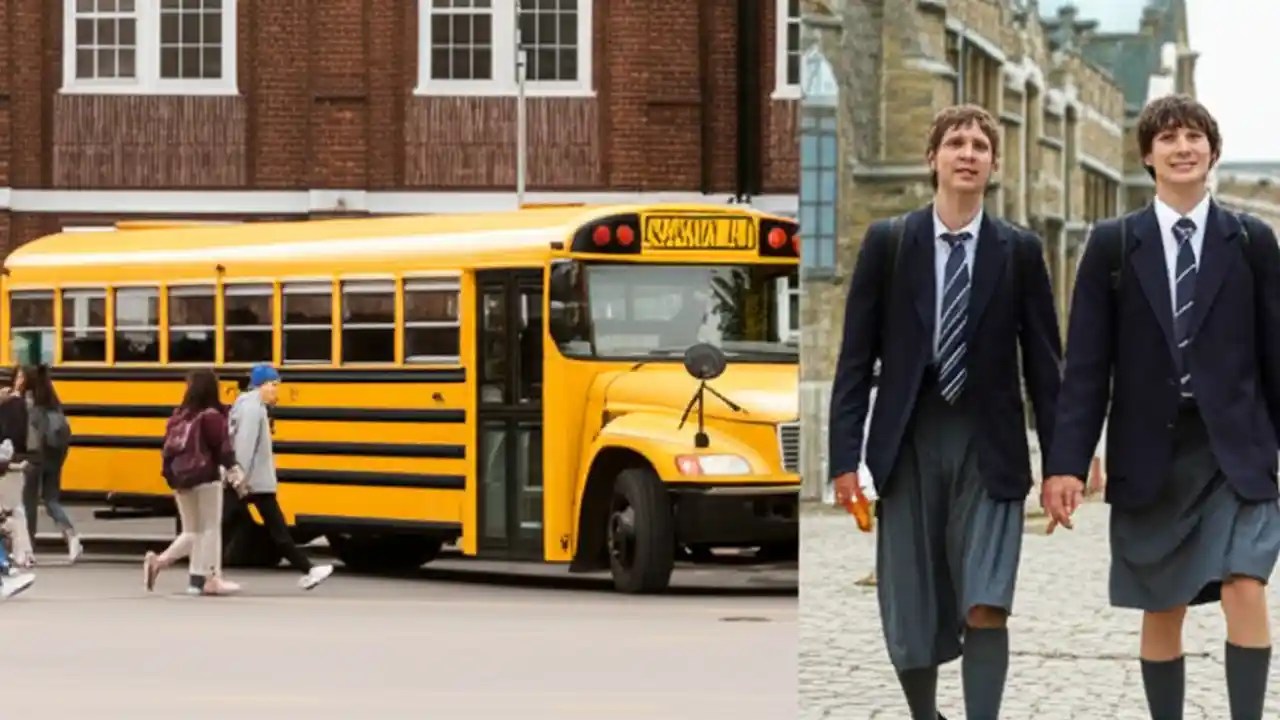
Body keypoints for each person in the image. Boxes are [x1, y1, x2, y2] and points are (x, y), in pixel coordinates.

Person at [1043, 94, 1280, 720]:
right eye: (1169, 138)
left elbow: (1277, 356)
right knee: (1163, 602)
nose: (1183, 147)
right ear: (1148, 155)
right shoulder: (1114, 246)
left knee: (1244, 584)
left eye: (1195, 136)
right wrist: (1067, 463)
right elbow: (1088, 367)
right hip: (1152, 454)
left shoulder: (1252, 241)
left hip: (1237, 450)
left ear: (1212, 151)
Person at [827, 104, 1062, 720]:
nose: (968, 153)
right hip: (907, 444)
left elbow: (1045, 367)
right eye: (955, 142)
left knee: (987, 598)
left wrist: (1064, 461)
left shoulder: (1019, 251)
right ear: (932, 157)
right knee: (911, 606)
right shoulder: (890, 243)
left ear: (992, 164)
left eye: (980, 145)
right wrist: (843, 461)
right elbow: (855, 361)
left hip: (992, 449)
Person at [230, 363, 333, 591]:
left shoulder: (250, 406)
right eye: (273, 385)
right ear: (261, 386)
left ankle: (308, 569)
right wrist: (240, 478)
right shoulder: (252, 409)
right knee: (211, 529)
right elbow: (245, 446)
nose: (276, 390)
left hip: (252, 481)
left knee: (274, 530)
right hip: (251, 482)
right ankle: (182, 566)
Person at [143, 369, 241, 596]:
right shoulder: (212, 415)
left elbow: (167, 451)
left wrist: (170, 475)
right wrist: (234, 470)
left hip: (182, 478)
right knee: (209, 529)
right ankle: (206, 577)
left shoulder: (179, 416)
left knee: (191, 531)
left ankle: (195, 580)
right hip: (206, 477)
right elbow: (222, 448)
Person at [21, 364, 81, 564]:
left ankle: (28, 549)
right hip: (55, 455)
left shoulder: (30, 404)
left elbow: (29, 435)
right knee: (51, 499)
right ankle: (71, 536)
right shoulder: (53, 402)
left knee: (28, 503)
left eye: (21, 376)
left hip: (35, 457)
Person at [0, 367, 36, 568]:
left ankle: (12, 558)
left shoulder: (10, 406)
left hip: (7, 463)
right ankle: (24, 553)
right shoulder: (21, 405)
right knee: (17, 510)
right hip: (14, 461)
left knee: (10, 513)